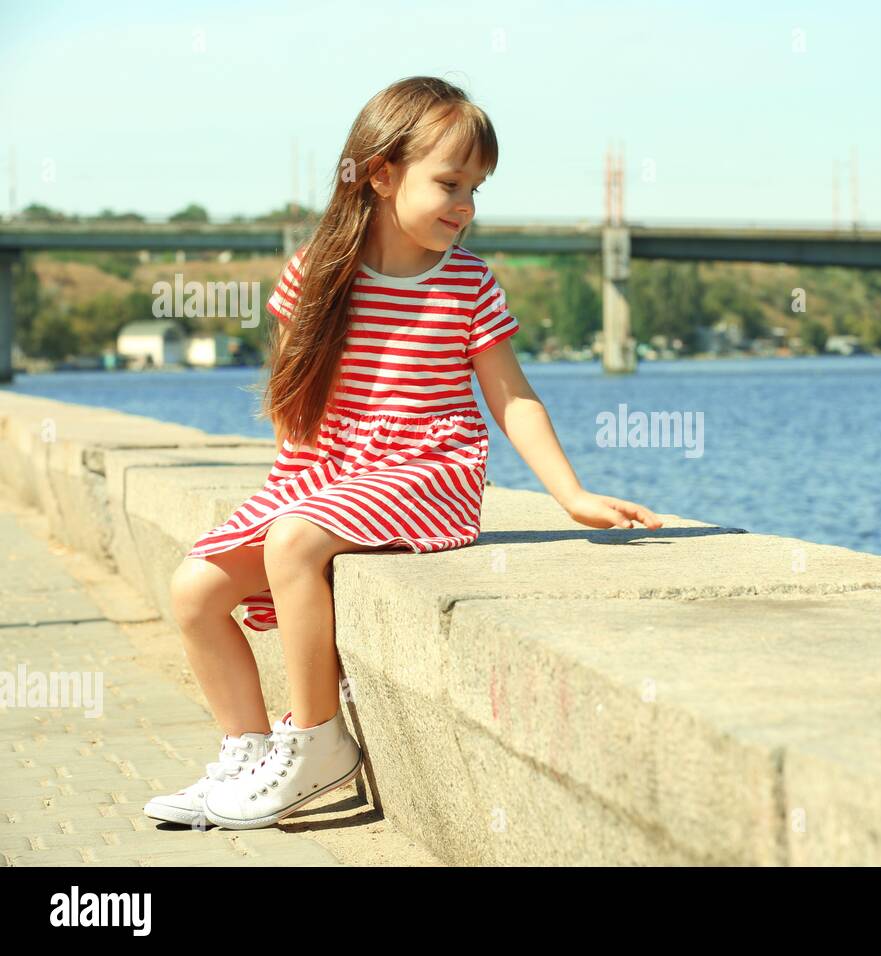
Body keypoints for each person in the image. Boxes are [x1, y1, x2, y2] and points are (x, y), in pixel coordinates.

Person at [147, 76, 662, 831]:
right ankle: (247, 754)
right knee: (193, 591)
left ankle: (318, 740)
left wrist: (571, 495)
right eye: (450, 183)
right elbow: (296, 407)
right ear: (381, 174)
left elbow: (512, 399)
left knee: (293, 540)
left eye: (477, 188)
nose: (467, 206)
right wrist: (290, 488)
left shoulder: (467, 285)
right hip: (332, 474)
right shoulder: (316, 276)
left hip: (431, 470)